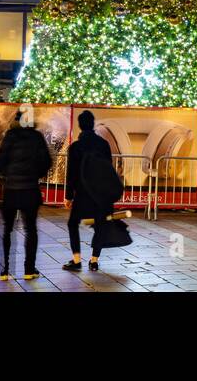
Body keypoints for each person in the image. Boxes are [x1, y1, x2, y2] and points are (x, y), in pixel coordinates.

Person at [0, 111, 52, 280]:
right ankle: (29, 270)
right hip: (30, 191)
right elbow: (47, 162)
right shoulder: (37, 137)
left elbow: (0, 163)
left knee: (7, 230)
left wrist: (8, 175)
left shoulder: (10, 136)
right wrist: (35, 175)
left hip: (11, 190)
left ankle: (4, 271)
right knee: (31, 229)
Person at [62, 110, 120, 272]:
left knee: (72, 223)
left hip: (82, 194)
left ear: (80, 126)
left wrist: (68, 196)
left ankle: (76, 259)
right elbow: (108, 169)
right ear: (93, 124)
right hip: (101, 194)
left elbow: (71, 174)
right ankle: (94, 260)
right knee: (100, 225)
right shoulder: (104, 145)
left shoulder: (76, 147)